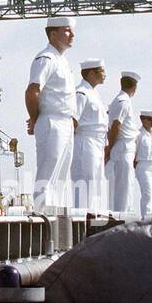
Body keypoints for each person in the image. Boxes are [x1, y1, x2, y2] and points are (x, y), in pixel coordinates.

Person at [25, 15, 78, 209]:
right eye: (67, 30)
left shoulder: (62, 60)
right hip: (52, 121)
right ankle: (42, 216)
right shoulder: (46, 59)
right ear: (53, 34)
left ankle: (57, 223)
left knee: (61, 179)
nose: (72, 34)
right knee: (47, 176)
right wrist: (35, 118)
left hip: (65, 122)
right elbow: (32, 90)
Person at [69, 58, 109, 210]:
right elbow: (73, 121)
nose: (105, 75)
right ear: (91, 73)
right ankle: (82, 221)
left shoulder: (94, 94)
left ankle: (93, 220)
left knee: (96, 185)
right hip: (85, 143)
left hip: (97, 143)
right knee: (85, 183)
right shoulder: (81, 94)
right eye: (102, 71)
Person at [105, 71, 141, 214]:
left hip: (124, 147)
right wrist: (110, 147)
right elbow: (116, 126)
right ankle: (121, 217)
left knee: (126, 186)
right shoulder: (123, 102)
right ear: (135, 87)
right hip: (122, 147)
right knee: (123, 187)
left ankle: (123, 215)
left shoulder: (120, 100)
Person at [134, 110, 152, 217]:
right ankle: (146, 218)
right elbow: (134, 153)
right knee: (147, 193)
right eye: (150, 119)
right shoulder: (138, 135)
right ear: (142, 119)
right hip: (144, 165)